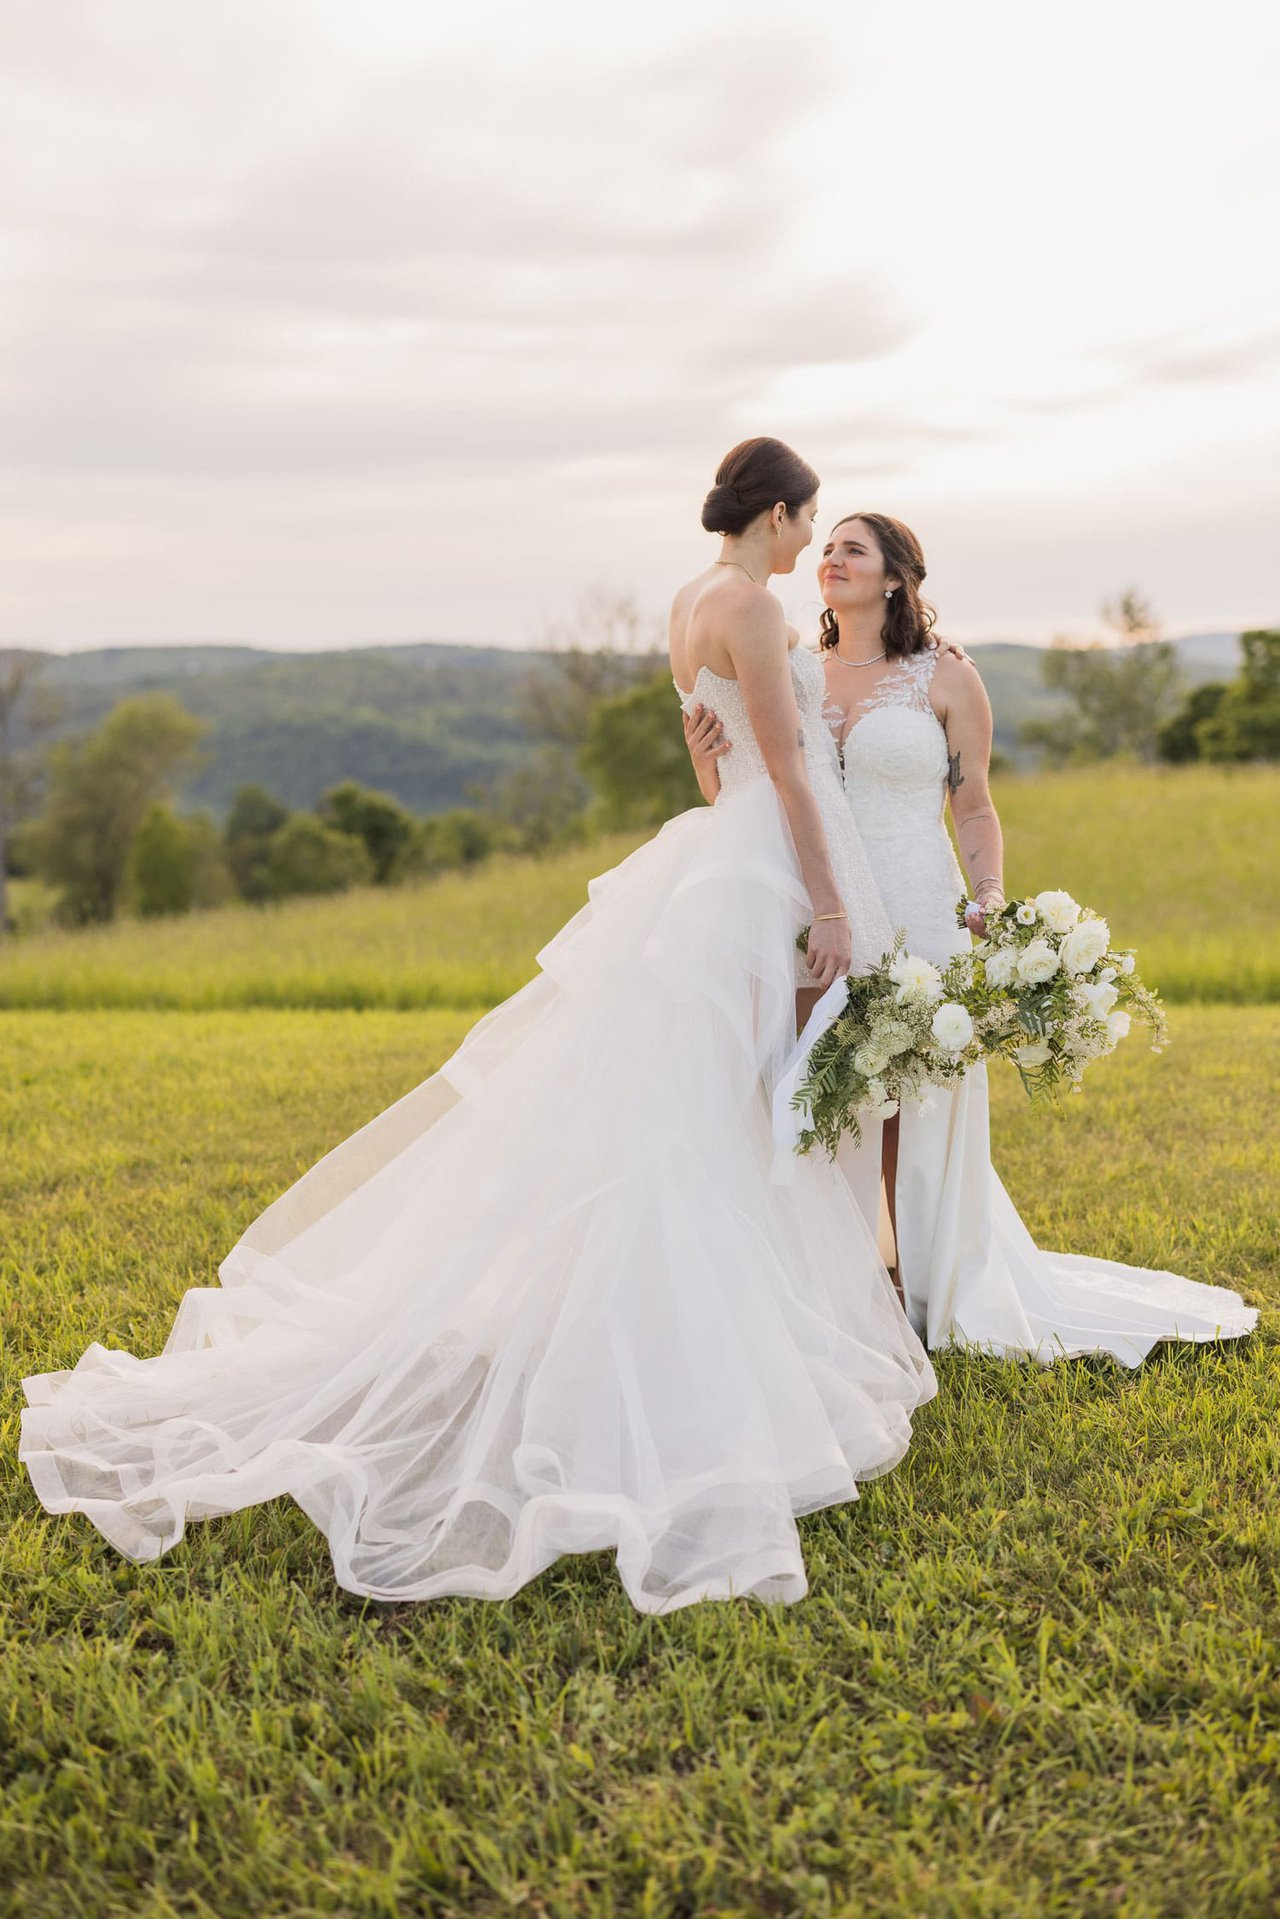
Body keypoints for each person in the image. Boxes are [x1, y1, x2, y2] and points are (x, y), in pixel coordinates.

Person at [20, 443, 935, 1615]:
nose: (812, 541)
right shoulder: (753, 609)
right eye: (808, 520)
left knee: (700, 1102)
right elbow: (789, 774)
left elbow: (721, 768)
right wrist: (827, 903)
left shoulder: (685, 600)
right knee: (717, 1112)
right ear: (776, 512)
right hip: (764, 870)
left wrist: (747, 808)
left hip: (719, 852)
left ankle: (666, 1328)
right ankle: (678, 1359)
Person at [685, 511, 1256, 1367]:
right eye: (827, 546)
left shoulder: (946, 678)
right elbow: (745, 789)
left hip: (918, 902)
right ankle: (841, 1287)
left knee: (916, 1108)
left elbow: (974, 803)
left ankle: (925, 1282)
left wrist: (988, 891)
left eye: (853, 550)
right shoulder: (794, 670)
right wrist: (704, 756)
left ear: (894, 578)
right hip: (821, 907)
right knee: (826, 1096)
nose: (831, 560)